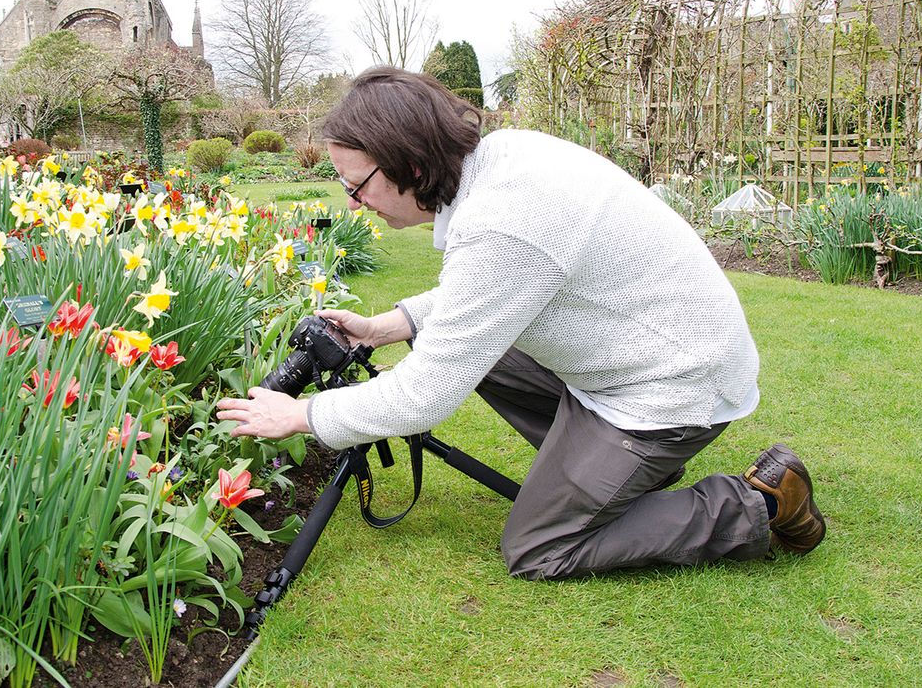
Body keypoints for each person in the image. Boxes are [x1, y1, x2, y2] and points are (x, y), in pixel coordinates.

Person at [215, 67, 825, 579]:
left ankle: (758, 506)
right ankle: (619, 473)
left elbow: (425, 394)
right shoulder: (501, 160)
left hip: (674, 387)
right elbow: (486, 298)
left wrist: (300, 416)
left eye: (358, 185)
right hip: (643, 353)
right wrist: (385, 327)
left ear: (413, 166)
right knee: (462, 345)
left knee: (538, 546)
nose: (353, 202)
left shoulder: (502, 220)